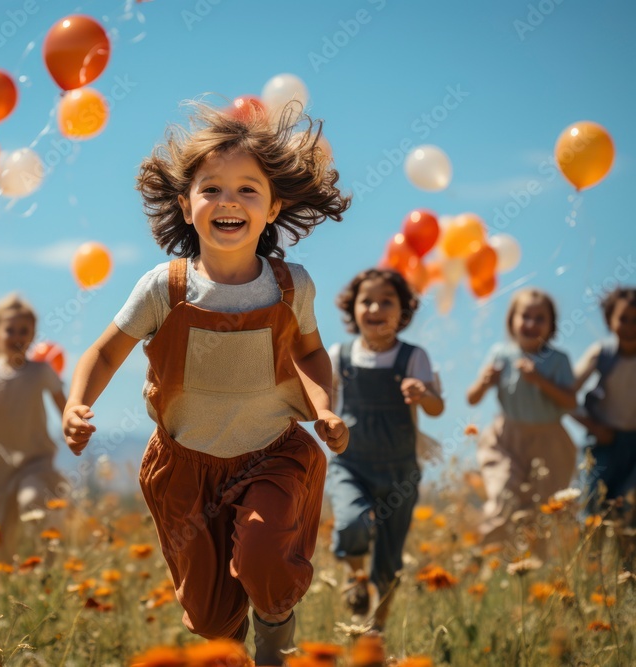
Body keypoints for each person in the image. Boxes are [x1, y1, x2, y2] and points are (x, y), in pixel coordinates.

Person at [62, 101, 349, 666]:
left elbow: (311, 352)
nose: (229, 201)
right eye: (211, 188)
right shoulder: (163, 288)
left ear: (274, 208)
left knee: (267, 560)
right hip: (186, 470)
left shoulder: (293, 288)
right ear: (185, 204)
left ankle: (275, 632)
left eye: (248, 189)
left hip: (272, 455)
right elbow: (103, 351)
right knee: (214, 620)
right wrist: (78, 402)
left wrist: (323, 408)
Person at [327, 268, 444, 630]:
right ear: (353, 309)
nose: (375, 307)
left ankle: (376, 628)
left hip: (399, 471)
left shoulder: (413, 357)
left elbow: (438, 407)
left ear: (403, 312)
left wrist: (423, 394)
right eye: (366, 300)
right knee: (351, 523)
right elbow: (325, 398)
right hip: (350, 464)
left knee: (390, 559)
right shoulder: (340, 355)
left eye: (387, 301)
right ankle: (354, 576)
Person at [467, 288, 576, 553]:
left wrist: (539, 380)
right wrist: (484, 382)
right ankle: (487, 556)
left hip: (549, 441)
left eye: (540, 318)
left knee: (543, 505)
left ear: (551, 327)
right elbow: (472, 398)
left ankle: (534, 563)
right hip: (507, 438)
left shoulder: (558, 360)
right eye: (524, 316)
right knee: (503, 493)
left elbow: (570, 402)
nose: (531, 324)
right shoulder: (501, 354)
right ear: (512, 321)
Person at [0, 293, 70, 562]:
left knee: (31, 500)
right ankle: (3, 582)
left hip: (35, 461)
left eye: (25, 330)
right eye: (10, 330)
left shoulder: (40, 371)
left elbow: (64, 405)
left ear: (34, 334)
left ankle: (47, 565)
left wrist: (73, 424)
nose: (17, 336)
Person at [572, 287, 636, 520]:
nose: (630, 326)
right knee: (592, 505)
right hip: (604, 441)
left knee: (628, 510)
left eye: (635, 320)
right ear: (609, 319)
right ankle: (591, 555)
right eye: (623, 319)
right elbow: (567, 395)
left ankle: (625, 556)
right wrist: (593, 427)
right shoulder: (602, 353)